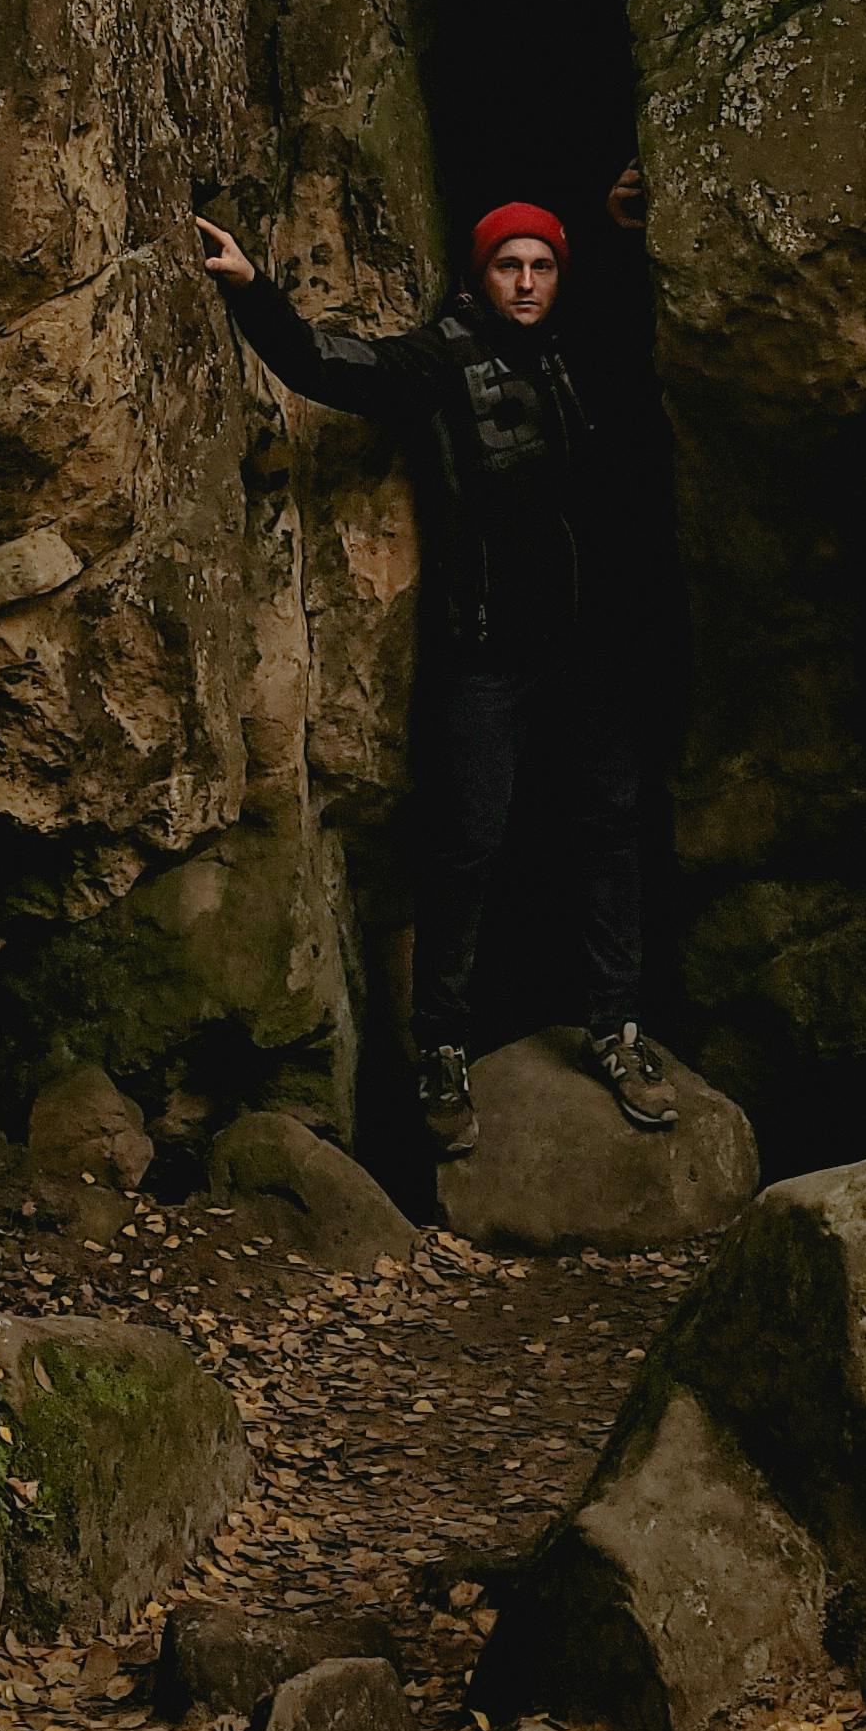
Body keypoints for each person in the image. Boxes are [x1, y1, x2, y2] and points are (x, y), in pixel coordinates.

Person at [196, 192, 675, 1158]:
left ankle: (616, 1032)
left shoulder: (579, 354)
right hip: (484, 655)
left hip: (587, 652)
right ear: (480, 273)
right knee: (464, 848)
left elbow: (643, 323)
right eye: (511, 267)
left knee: (612, 832)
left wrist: (625, 230)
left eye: (543, 267)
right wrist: (252, 291)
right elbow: (329, 366)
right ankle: (444, 1050)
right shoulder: (438, 360)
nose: (529, 285)